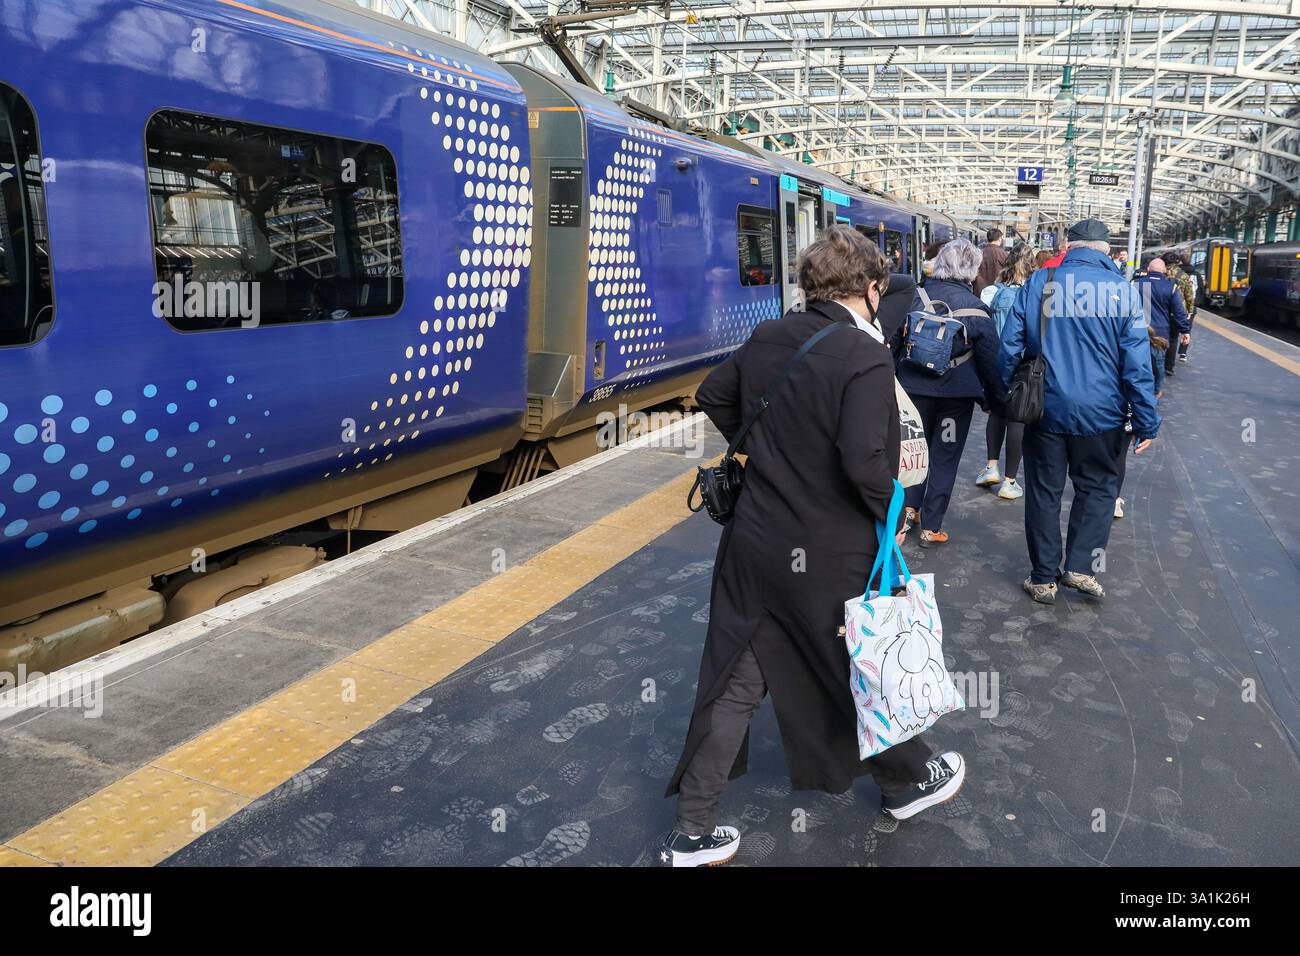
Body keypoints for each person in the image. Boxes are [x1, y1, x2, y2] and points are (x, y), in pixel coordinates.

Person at [661, 225, 965, 867]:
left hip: (753, 541)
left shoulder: (771, 335)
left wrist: (766, 454)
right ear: (872, 288)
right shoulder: (865, 357)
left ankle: (693, 830)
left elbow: (715, 395)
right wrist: (898, 512)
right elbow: (862, 462)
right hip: (830, 549)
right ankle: (909, 779)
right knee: (858, 662)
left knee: (736, 678)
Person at [999, 218, 1160, 604]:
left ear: (1068, 247)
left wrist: (1008, 391)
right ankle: (1081, 568)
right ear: (1106, 252)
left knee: (1043, 491)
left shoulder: (1040, 283)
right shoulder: (1124, 292)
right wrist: (1146, 420)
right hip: (1104, 414)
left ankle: (1042, 578)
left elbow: (1009, 345)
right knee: (1099, 489)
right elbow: (1138, 364)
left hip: (1046, 409)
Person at [892, 238, 1003, 545]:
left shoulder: (914, 296)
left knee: (913, 452)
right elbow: (991, 361)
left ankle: (907, 512)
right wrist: (994, 401)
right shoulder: (979, 309)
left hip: (913, 390)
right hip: (956, 397)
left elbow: (893, 343)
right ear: (972, 271)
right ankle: (931, 526)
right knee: (945, 456)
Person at [975, 243, 1037, 499]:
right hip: (1026, 364)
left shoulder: (992, 291)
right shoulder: (1037, 293)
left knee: (997, 413)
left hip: (997, 360)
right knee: (1017, 420)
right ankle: (1010, 482)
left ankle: (991, 466)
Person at [1134, 257, 1189, 399]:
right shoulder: (1171, 287)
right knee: (1158, 363)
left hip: (1138, 330)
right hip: (1160, 332)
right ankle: (1156, 390)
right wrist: (1185, 330)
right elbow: (1179, 311)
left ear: (1148, 270)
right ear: (1164, 271)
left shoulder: (1135, 284)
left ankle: (1137, 389)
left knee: (1137, 361)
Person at [1164, 252, 1196, 371]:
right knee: (1173, 339)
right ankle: (1169, 366)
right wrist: (1190, 311)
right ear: (1177, 262)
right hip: (1178, 311)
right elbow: (1190, 296)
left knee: (1159, 337)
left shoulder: (1163, 273)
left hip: (1163, 310)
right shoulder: (1184, 276)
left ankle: (1158, 364)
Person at [974, 227, 1009, 296]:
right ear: (999, 239)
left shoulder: (979, 253)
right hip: (996, 292)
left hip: (979, 291)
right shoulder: (1003, 254)